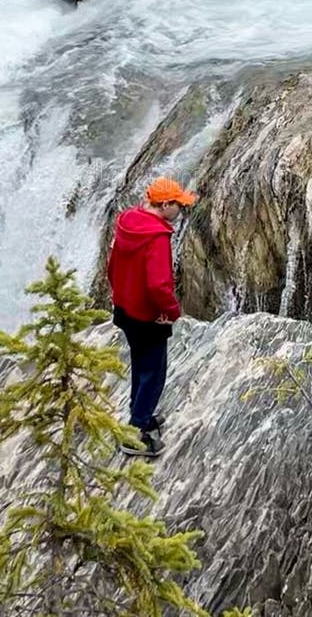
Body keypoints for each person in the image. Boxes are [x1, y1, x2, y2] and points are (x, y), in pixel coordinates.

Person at [107, 176, 197, 457]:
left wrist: (120, 295)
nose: (181, 211)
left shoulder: (128, 222)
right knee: (153, 373)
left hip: (125, 309)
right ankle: (135, 434)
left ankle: (142, 414)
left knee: (140, 365)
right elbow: (158, 285)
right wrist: (171, 312)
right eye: (178, 205)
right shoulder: (156, 237)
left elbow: (111, 265)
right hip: (148, 317)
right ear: (166, 204)